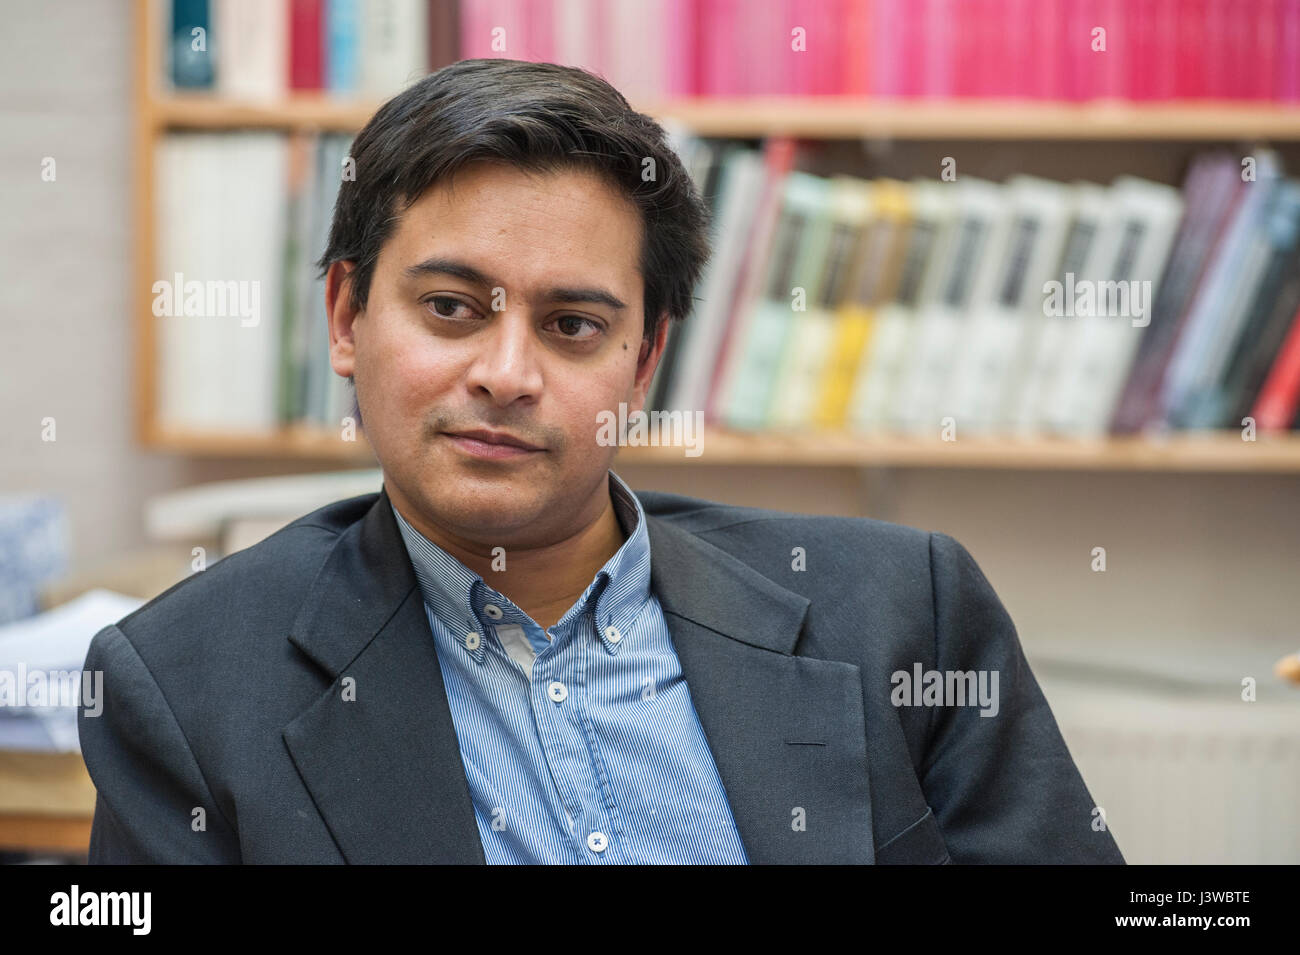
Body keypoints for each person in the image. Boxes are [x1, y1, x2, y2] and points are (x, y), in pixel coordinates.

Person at [78, 58, 1122, 864]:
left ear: (643, 362)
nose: (505, 372)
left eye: (572, 325)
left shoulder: (902, 610)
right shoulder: (184, 688)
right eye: (450, 308)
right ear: (347, 317)